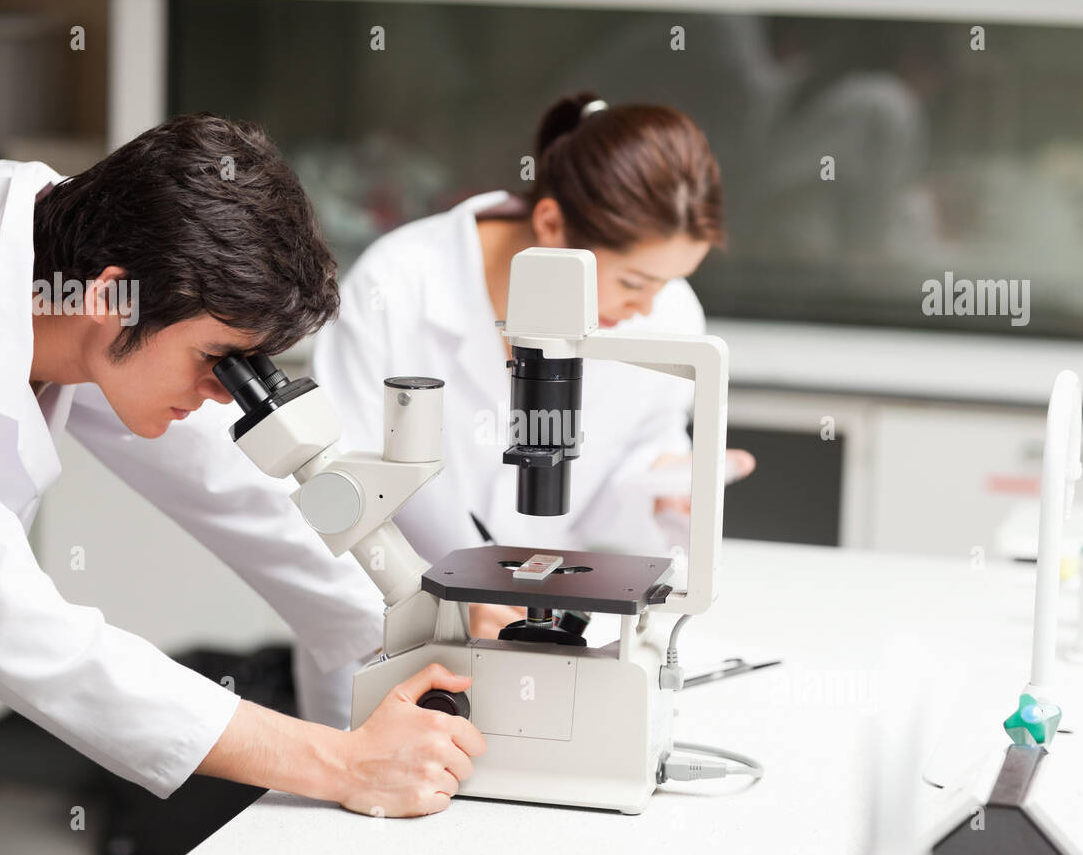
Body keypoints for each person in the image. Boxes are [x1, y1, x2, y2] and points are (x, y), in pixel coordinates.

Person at [0, 113, 482, 818]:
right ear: (108, 296)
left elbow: (232, 485)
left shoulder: (69, 251)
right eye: (214, 359)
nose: (221, 392)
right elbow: (2, 616)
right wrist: (339, 763)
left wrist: (425, 622)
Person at [296, 92, 754, 721]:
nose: (647, 308)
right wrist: (439, 610)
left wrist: (668, 488)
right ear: (549, 226)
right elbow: (328, 495)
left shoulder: (668, 311)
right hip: (399, 649)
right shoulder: (399, 286)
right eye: (632, 283)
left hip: (558, 644)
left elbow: (635, 453)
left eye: (666, 284)